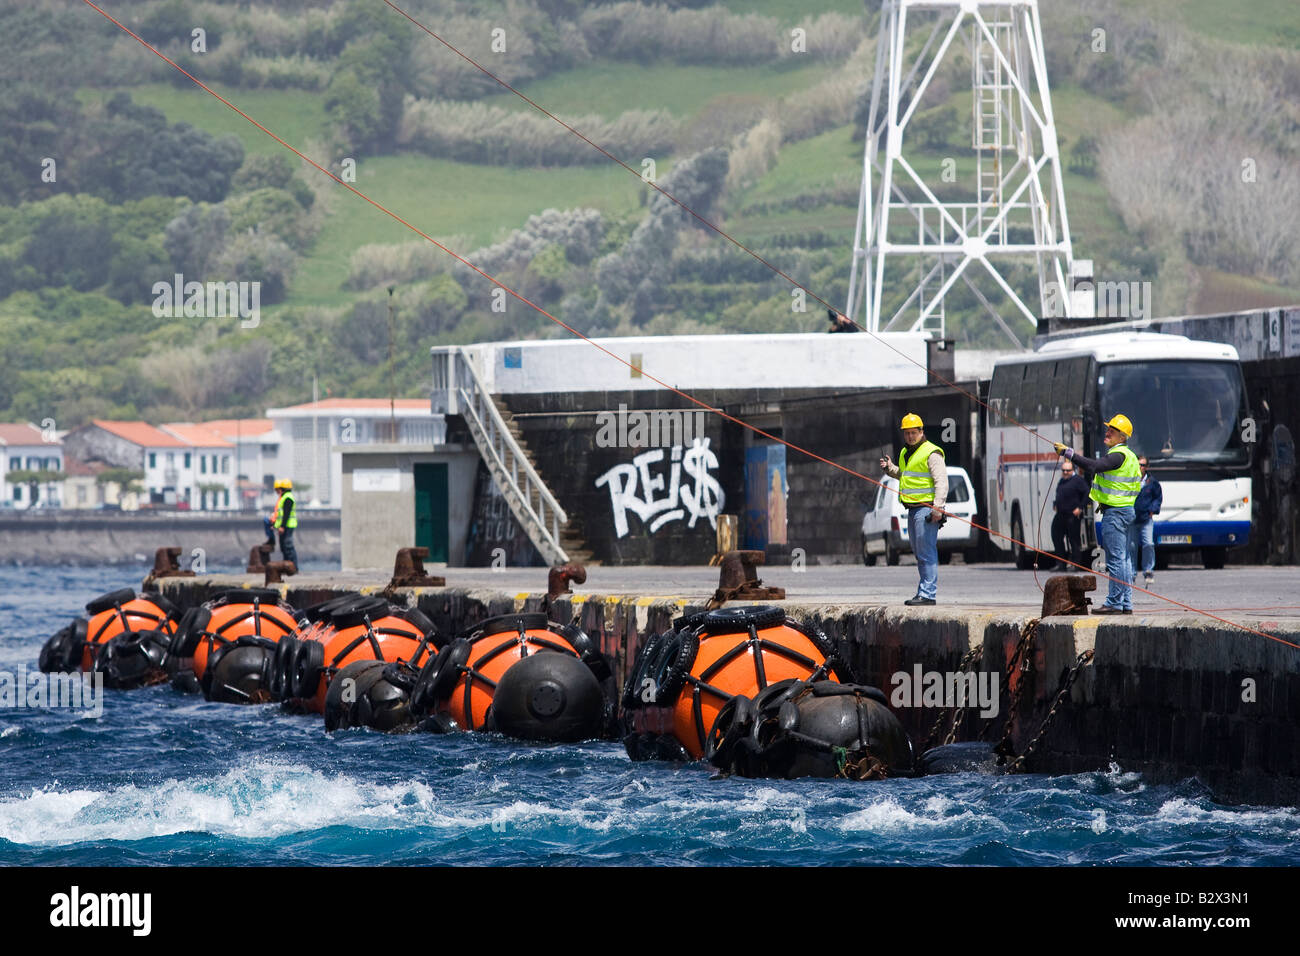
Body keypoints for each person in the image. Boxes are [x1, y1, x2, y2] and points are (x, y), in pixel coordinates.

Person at [1055, 414, 1141, 614]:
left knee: (1116, 559)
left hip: (1116, 513)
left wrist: (1069, 453)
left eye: (1113, 430)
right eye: (1108, 428)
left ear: (1123, 437)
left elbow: (1093, 466)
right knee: (1124, 559)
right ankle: (1125, 603)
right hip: (1125, 511)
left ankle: (1114, 603)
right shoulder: (1130, 457)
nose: (1108, 432)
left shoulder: (1118, 454)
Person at [880, 413, 947, 606]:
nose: (910, 436)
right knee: (919, 551)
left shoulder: (932, 452)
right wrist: (890, 468)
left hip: (926, 510)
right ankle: (924, 591)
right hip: (912, 509)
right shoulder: (904, 453)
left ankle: (927, 593)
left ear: (921, 432)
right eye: (907, 433)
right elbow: (905, 477)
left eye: (914, 433)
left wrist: (938, 507)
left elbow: (941, 481)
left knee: (926, 551)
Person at [1050, 459, 1090, 569]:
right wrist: (1055, 504)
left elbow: (1087, 493)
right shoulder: (1062, 481)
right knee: (1056, 537)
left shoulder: (1078, 480)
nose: (1065, 472)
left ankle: (1076, 563)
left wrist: (1080, 508)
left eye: (1068, 470)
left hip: (1073, 515)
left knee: (1074, 540)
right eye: (1063, 470)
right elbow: (1059, 494)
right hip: (1061, 514)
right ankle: (1061, 563)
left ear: (1073, 470)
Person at [1130, 456, 1162, 587]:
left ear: (1147, 467)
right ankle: (1131, 573)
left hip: (1146, 519)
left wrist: (1153, 510)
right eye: (1138, 465)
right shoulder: (1129, 481)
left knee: (1148, 543)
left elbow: (1158, 498)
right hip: (1131, 519)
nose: (1140, 467)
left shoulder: (1152, 482)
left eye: (1142, 465)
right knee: (1131, 547)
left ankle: (1148, 570)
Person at [268, 478, 298, 568]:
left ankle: (293, 567)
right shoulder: (284, 497)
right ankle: (287, 566)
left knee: (288, 546)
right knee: (284, 546)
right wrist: (276, 525)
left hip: (288, 526)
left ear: (282, 489)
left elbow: (286, 514)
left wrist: (282, 527)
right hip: (285, 526)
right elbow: (280, 515)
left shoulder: (287, 498)